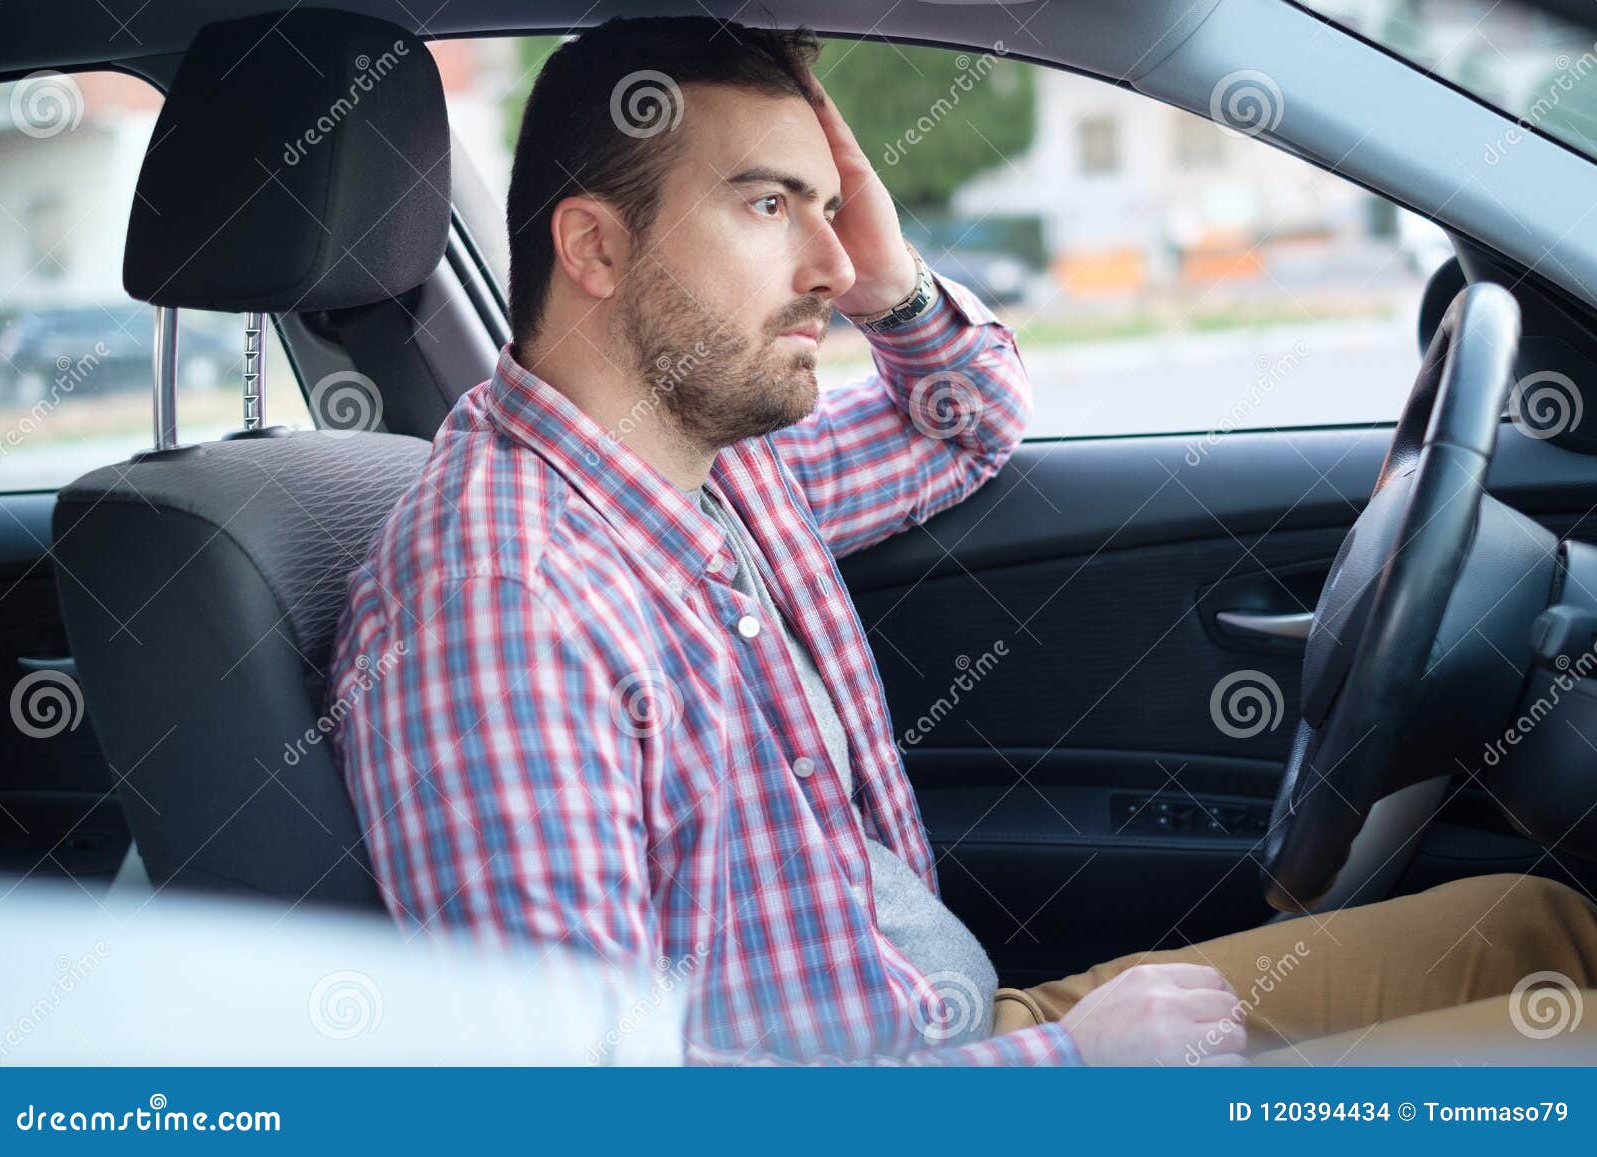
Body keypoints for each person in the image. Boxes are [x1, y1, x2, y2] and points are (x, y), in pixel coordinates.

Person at [327, 16, 1597, 1065]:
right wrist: (1067, 1067)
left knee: (1545, 933)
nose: (830, 260)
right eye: (770, 205)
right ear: (596, 247)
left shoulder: (714, 463)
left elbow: (971, 418)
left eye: (833, 209)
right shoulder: (499, 605)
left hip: (955, 1047)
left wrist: (890, 279)